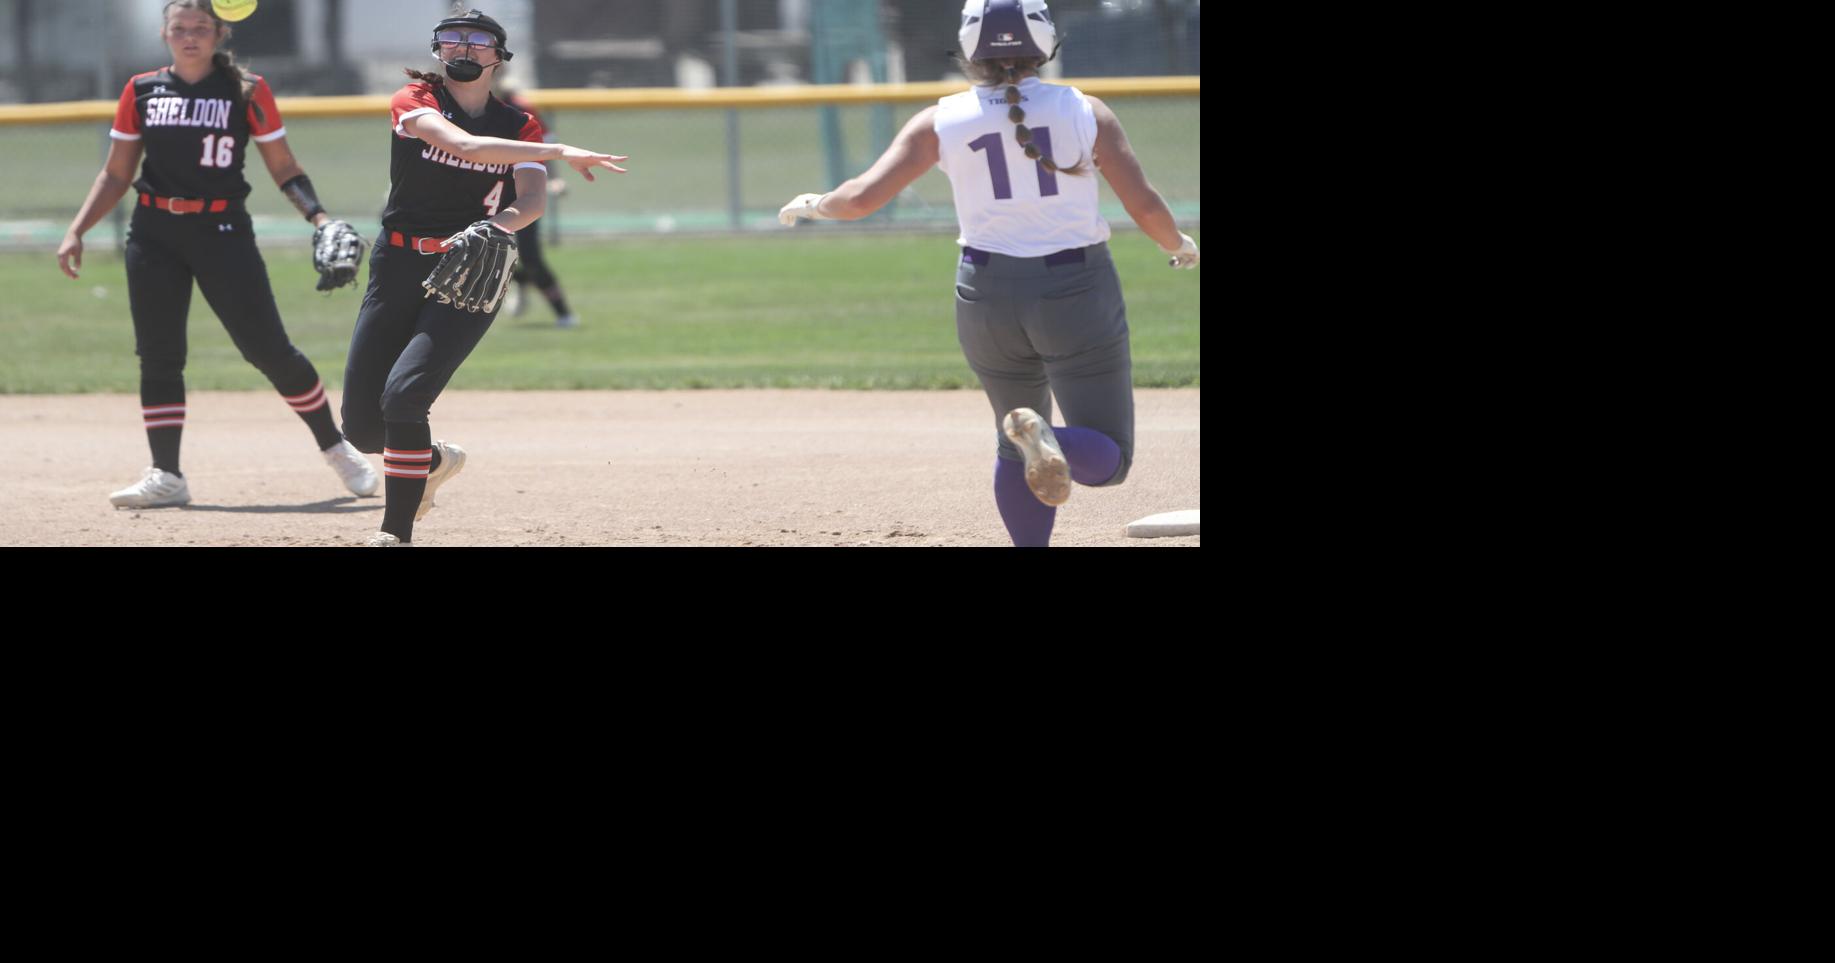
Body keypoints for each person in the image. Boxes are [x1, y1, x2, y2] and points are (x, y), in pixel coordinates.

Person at [778, 0, 1199, 547]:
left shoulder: (941, 118)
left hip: (984, 294)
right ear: (1045, 42)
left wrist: (815, 203)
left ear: (969, 49)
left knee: (1013, 443)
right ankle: (1050, 439)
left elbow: (859, 200)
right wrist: (1178, 244)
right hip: (1075, 289)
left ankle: (1032, 483)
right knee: (1108, 457)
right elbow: (1142, 204)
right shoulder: (1084, 110)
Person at [57, 0, 378, 510]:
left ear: (220, 34)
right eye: (179, 28)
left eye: (200, 28)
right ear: (164, 34)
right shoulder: (142, 90)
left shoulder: (245, 90)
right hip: (154, 232)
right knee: (159, 355)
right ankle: (166, 474)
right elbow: (116, 174)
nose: (190, 37)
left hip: (222, 231)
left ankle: (336, 448)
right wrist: (77, 230)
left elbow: (284, 167)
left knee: (268, 350)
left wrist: (318, 217)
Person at [343, 7, 626, 547]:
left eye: (478, 41)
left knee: (404, 397)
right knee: (361, 427)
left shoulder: (518, 125)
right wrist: (560, 149)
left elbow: (533, 199)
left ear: (500, 57)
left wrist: (495, 228)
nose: (464, 48)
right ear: (438, 49)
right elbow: (464, 146)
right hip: (398, 263)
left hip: (468, 267)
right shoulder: (416, 99)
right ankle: (431, 461)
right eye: (452, 38)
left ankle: (394, 533)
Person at [498, 85, 580, 329]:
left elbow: (544, 144)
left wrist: (553, 178)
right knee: (482, 255)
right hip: (485, 191)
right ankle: (520, 278)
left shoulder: (519, 107)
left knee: (530, 257)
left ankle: (564, 313)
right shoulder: (466, 105)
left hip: (522, 191)